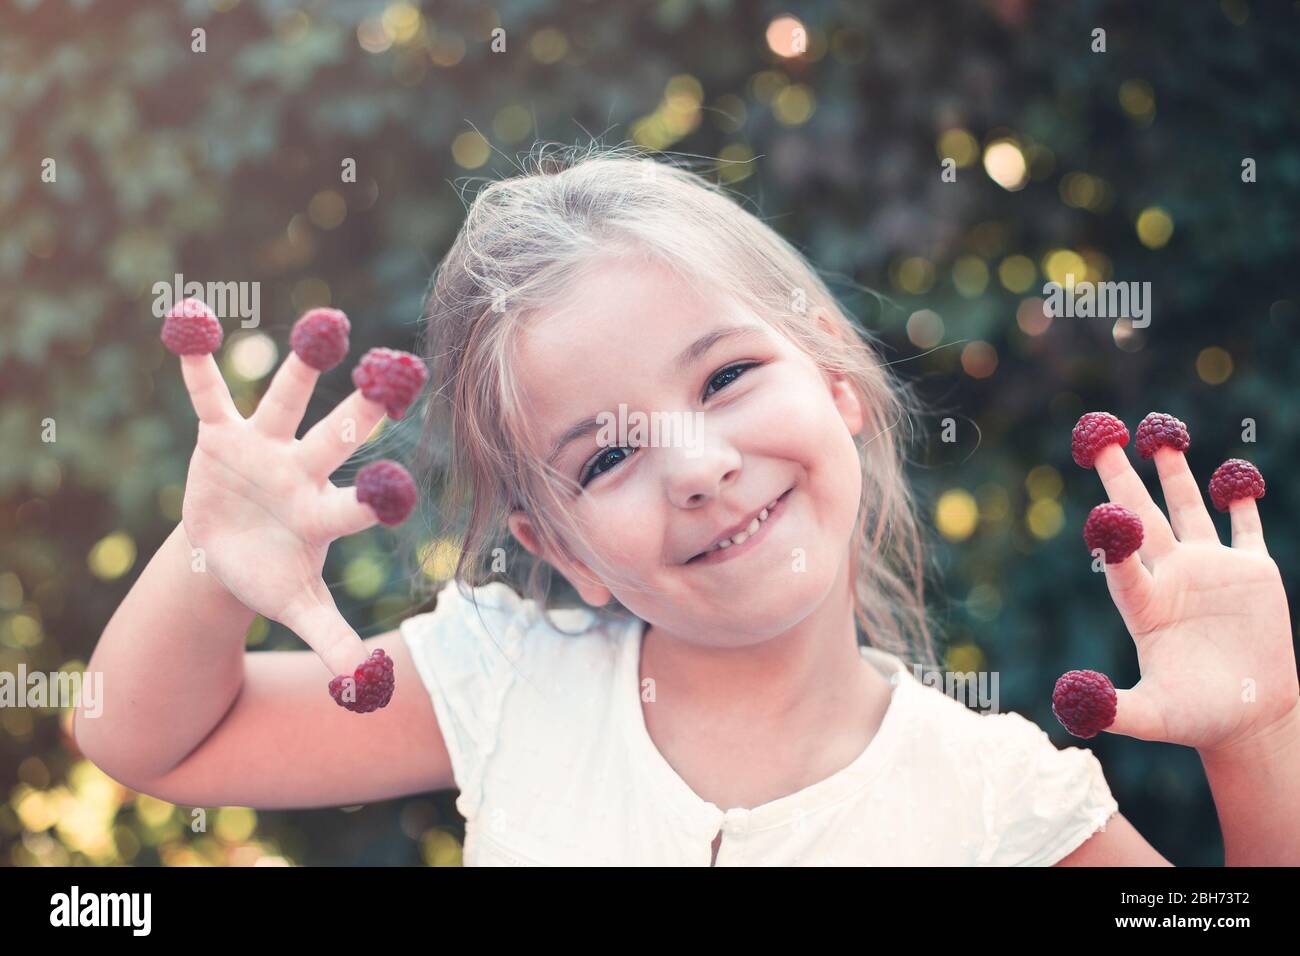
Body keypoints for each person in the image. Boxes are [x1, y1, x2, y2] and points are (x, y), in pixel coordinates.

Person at [75, 143, 1300, 866]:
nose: (699, 464)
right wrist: (206, 559)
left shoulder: (1002, 793)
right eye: (605, 458)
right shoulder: (504, 680)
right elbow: (145, 741)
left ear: (836, 381)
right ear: (562, 549)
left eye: (725, 377)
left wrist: (1256, 733)